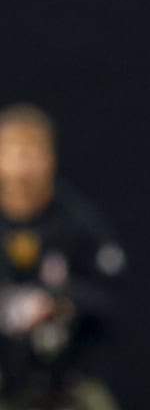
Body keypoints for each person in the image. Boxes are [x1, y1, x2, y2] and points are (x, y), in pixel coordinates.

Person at [0, 104, 124, 410]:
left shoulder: (78, 224)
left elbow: (112, 296)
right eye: (12, 153)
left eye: (30, 153)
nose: (22, 167)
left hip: (68, 385)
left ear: (49, 159)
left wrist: (63, 301)